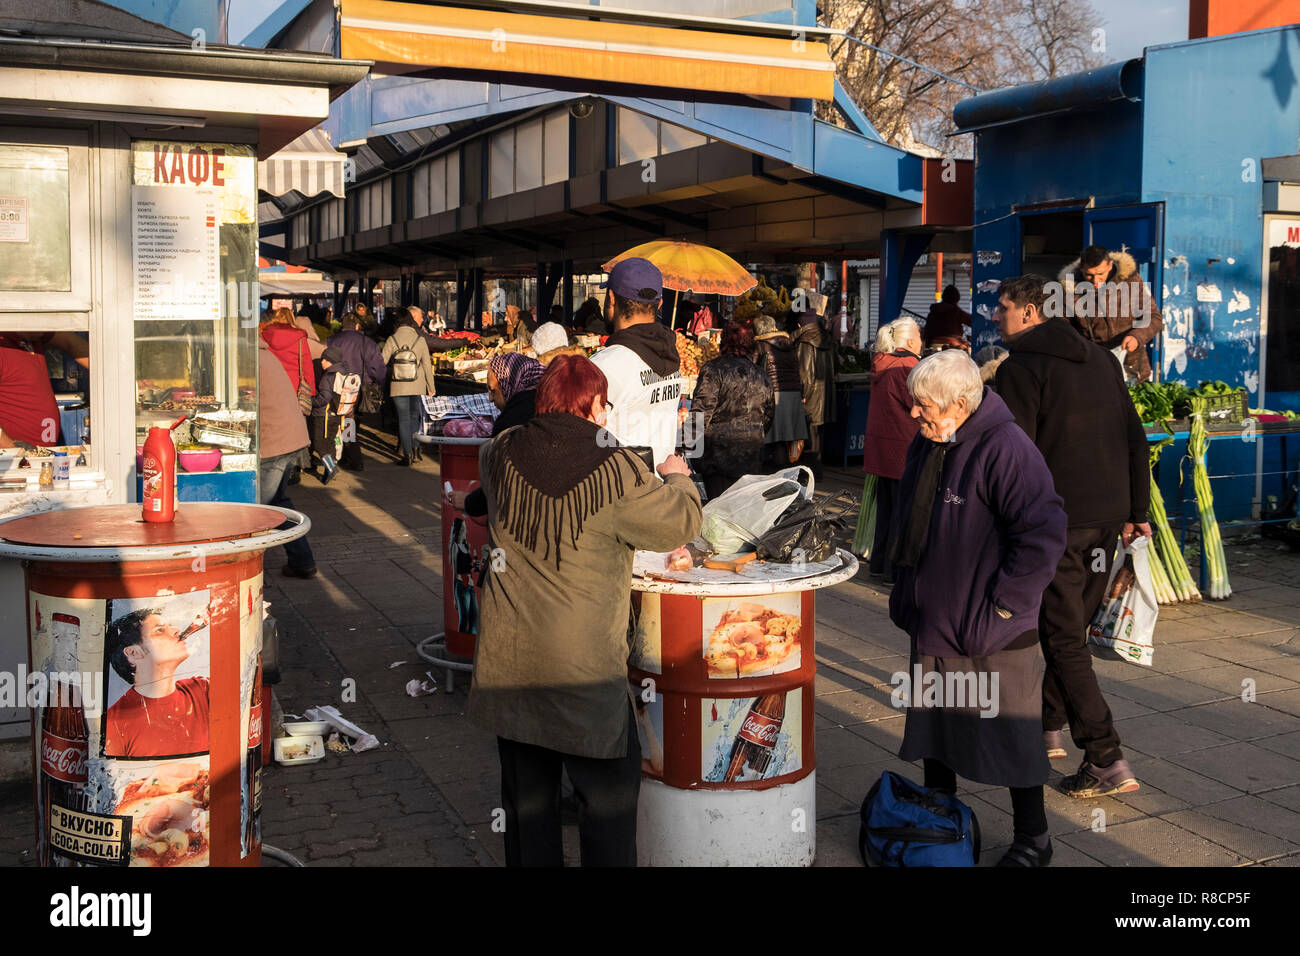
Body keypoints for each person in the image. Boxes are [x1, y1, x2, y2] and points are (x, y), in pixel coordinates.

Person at [468, 354, 702, 866]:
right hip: (585, 672)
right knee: (609, 803)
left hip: (512, 665)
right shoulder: (616, 469)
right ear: (595, 406)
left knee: (528, 807)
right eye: (605, 406)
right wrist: (677, 476)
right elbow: (677, 525)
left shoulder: (499, 452)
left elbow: (487, 485)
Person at [889, 350, 1067, 867]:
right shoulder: (930, 441)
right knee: (936, 732)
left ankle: (1034, 840)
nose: (915, 415)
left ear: (962, 403)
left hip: (991, 629)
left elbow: (1043, 532)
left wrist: (1004, 609)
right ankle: (943, 824)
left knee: (1012, 737)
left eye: (924, 406)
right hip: (936, 622)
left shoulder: (1005, 447)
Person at [994, 274, 1150, 798]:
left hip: (1057, 520)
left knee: (1062, 640)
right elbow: (1136, 437)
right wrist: (1138, 509)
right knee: (1069, 633)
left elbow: (1018, 455)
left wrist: (1006, 522)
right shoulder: (1102, 360)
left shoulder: (1022, 367)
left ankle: (1106, 758)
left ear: (1031, 312)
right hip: (1107, 520)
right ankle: (1048, 726)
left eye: (1004, 307)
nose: (997, 315)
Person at [590, 258, 683, 467]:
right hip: (663, 485)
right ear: (659, 304)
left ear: (611, 298)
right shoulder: (673, 356)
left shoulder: (602, 366)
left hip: (620, 492)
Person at [104, 607, 211, 758]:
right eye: (159, 630)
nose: (177, 630)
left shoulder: (204, 690)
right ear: (133, 653)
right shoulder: (114, 724)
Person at [862, 317, 923, 581]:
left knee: (886, 511)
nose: (923, 340)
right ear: (910, 341)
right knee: (903, 512)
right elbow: (919, 406)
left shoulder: (883, 363)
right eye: (920, 335)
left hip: (882, 450)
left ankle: (878, 564)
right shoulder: (908, 367)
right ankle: (893, 570)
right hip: (904, 448)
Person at [690, 318, 774, 499]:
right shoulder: (762, 375)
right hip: (751, 456)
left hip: (718, 459)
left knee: (719, 513)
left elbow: (699, 415)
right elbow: (767, 417)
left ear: (724, 341)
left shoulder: (713, 370)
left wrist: (683, 446)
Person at [258, 336, 318, 578]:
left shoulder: (249, 358)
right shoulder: (264, 353)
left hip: (274, 442)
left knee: (259, 507)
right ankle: (302, 561)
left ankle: (246, 570)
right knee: (278, 502)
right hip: (288, 437)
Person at [1059, 245, 1164, 382]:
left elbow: (1153, 317)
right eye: (1089, 275)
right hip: (1092, 366)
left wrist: (1136, 337)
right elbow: (1062, 328)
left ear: (1110, 265)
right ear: (1081, 269)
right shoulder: (1070, 291)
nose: (1095, 281)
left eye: (1100, 274)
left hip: (1132, 366)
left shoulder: (1131, 281)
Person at [0, 332, 88, 447]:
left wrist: (110, 371)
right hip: (15, 461)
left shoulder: (34, 335)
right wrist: (13, 450)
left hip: (43, 457)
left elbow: (69, 341)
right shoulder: (3, 347)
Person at [328, 311, 387, 472]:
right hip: (359, 389)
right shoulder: (367, 343)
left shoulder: (331, 340)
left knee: (343, 422)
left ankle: (349, 455)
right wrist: (378, 383)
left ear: (342, 325)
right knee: (350, 422)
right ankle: (354, 457)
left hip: (336, 387)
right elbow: (378, 368)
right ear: (357, 326)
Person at [382, 305, 436, 466]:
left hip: (398, 385)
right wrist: (431, 388)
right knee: (415, 418)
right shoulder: (420, 340)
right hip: (417, 385)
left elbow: (382, 361)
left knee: (403, 420)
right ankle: (417, 448)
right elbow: (427, 365)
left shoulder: (392, 339)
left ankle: (407, 455)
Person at [753, 314, 808, 465]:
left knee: (777, 440)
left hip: (776, 396)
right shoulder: (789, 344)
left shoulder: (764, 347)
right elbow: (798, 370)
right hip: (793, 393)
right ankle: (790, 473)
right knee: (788, 438)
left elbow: (760, 374)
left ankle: (780, 477)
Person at [794, 310, 834, 479]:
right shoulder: (828, 340)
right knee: (818, 433)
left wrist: (803, 393)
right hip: (826, 394)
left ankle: (810, 472)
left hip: (811, 395)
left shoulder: (805, 342)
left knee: (809, 433)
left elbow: (804, 373)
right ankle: (817, 470)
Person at [308, 346, 355, 485]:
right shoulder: (345, 373)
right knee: (331, 443)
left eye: (325, 359)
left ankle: (331, 467)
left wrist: (311, 402)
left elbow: (325, 397)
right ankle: (330, 470)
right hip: (338, 415)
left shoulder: (328, 376)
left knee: (319, 443)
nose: (321, 361)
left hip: (323, 415)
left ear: (331, 361)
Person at [923, 285, 971, 350]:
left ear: (943, 297)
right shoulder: (955, 311)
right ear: (957, 298)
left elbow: (927, 331)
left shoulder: (933, 312)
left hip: (933, 345)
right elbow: (972, 321)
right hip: (951, 345)